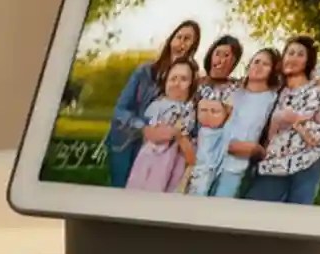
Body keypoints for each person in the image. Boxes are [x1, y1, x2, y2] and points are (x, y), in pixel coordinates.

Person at [104, 20, 201, 187]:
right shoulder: (146, 72)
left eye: (188, 39)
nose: (182, 43)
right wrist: (145, 128)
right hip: (128, 143)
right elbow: (120, 110)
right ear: (171, 41)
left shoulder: (191, 84)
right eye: (179, 37)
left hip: (163, 155)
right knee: (122, 192)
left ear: (193, 47)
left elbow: (190, 126)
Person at [244, 35, 320, 205]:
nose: (293, 58)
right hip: (274, 163)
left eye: (300, 54)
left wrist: (295, 119)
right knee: (252, 211)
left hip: (307, 162)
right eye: (289, 52)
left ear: (308, 61)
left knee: (292, 220)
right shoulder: (278, 90)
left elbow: (319, 136)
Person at [211, 48, 281, 198]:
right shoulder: (232, 92)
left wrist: (257, 150)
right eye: (256, 61)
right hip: (212, 161)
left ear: (273, 70)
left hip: (238, 167)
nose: (258, 66)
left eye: (265, 64)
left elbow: (273, 137)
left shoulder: (272, 100)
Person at [126, 59, 198, 192]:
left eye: (183, 79)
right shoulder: (157, 105)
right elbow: (152, 133)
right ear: (165, 83)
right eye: (173, 78)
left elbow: (190, 153)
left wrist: (178, 134)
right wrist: (170, 132)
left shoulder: (191, 109)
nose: (177, 83)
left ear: (191, 85)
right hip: (151, 158)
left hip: (175, 162)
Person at [186, 35, 243, 196]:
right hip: (193, 149)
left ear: (234, 62)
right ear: (210, 55)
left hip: (220, 152)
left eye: (228, 56)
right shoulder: (196, 83)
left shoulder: (237, 87)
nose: (222, 60)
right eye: (218, 53)